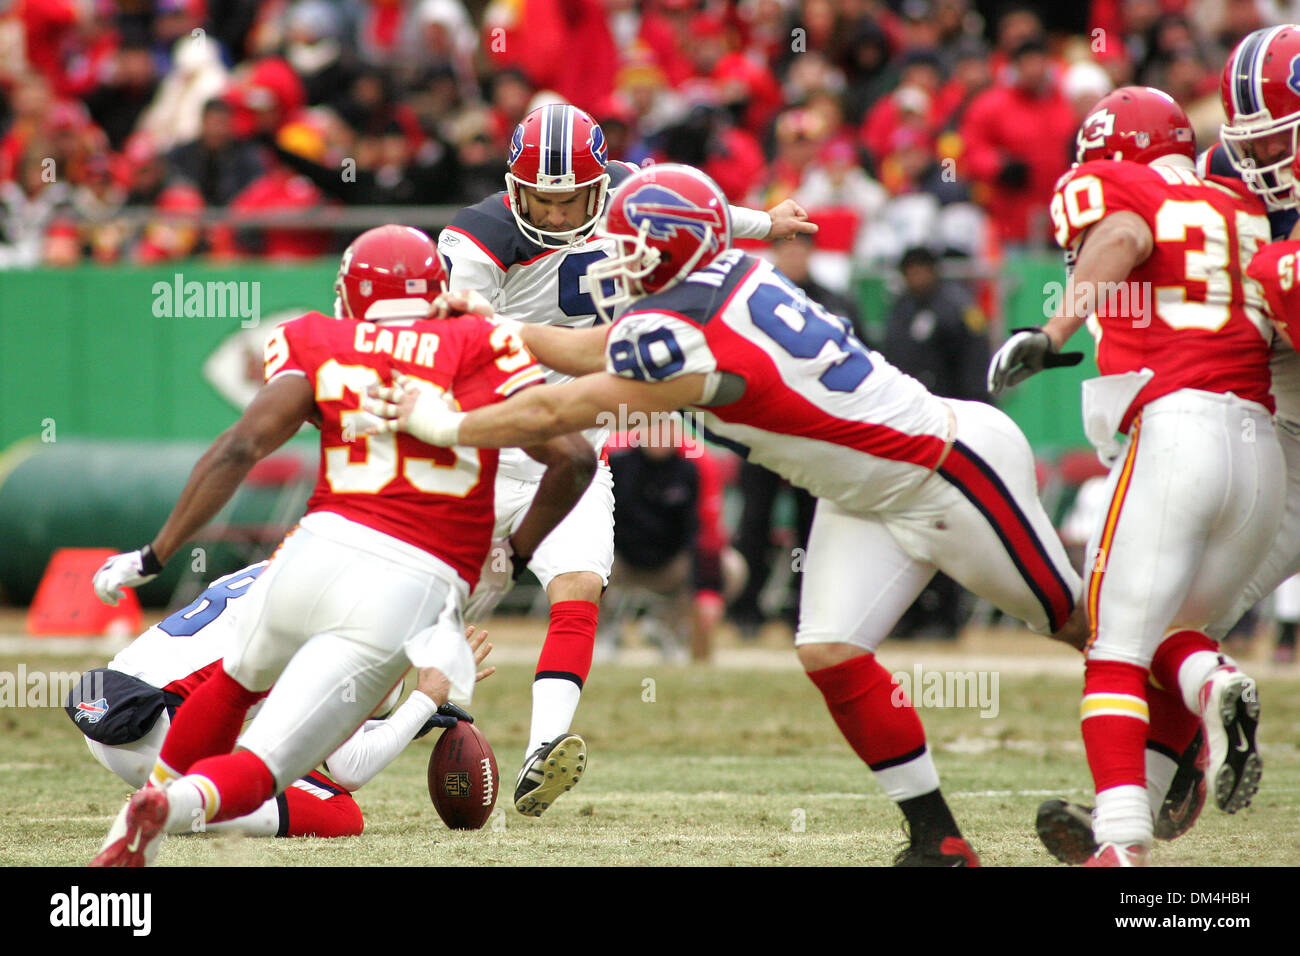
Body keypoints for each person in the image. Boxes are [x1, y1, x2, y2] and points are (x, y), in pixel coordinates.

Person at [364, 163, 1092, 866]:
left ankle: (1186, 714)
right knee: (831, 652)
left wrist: (444, 422)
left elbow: (564, 403)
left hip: (944, 467)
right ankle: (940, 842)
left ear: (662, 255)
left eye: (626, 247)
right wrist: (502, 329)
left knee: (1080, 626)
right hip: (861, 490)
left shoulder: (680, 331)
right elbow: (586, 345)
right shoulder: (729, 277)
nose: (610, 258)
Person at [87, 224, 596, 866]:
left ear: (349, 295)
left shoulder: (316, 338)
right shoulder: (480, 345)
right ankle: (179, 807)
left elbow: (241, 446)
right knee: (271, 764)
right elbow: (574, 459)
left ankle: (154, 805)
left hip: (313, 547)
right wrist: (511, 559)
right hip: (405, 579)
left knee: (235, 685)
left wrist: (154, 554)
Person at [435, 101, 817, 817]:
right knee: (432, 615)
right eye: (538, 201)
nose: (551, 215)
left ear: (599, 186)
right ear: (512, 187)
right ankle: (366, 730)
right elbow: (461, 348)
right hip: (488, 442)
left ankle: (541, 751)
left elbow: (696, 214)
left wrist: (768, 222)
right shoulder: (475, 239)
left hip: (572, 445)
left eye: (567, 200)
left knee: (577, 586)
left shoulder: (629, 191)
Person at [987, 87, 1280, 865]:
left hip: (1175, 427)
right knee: (1176, 634)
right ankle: (1210, 684)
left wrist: (1052, 329)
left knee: (1114, 643)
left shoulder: (1126, 189)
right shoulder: (1239, 203)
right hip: (1263, 448)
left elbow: (1119, 231)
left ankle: (1119, 844)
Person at [67, 562, 488, 839]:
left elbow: (298, 723)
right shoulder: (368, 616)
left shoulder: (297, 564)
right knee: (340, 812)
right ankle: (174, 808)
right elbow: (349, 768)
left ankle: (168, 796)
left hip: (111, 705)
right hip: (161, 733)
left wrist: (406, 719)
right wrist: (424, 699)